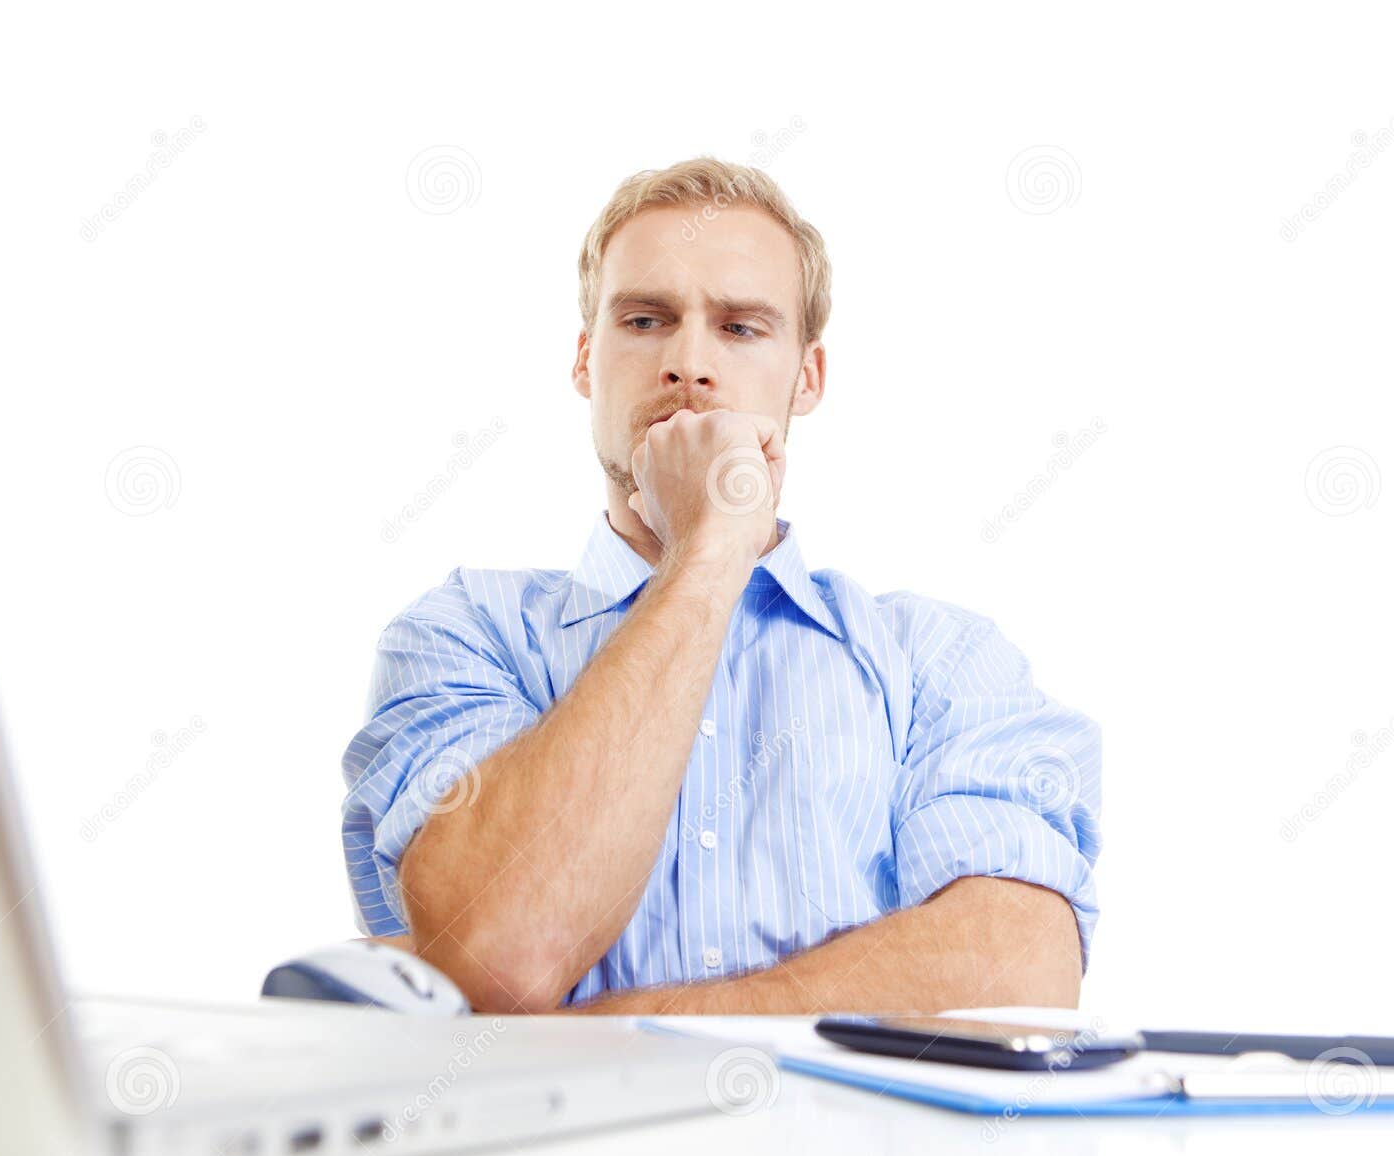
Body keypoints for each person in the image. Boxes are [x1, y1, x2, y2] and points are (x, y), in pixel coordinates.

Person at [342, 157, 1101, 1015]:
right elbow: (503, 954)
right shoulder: (463, 632)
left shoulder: (945, 662)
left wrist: (631, 1028)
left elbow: (1021, 974)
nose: (689, 363)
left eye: (741, 328)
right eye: (644, 319)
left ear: (807, 377)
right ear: (587, 359)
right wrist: (707, 550)